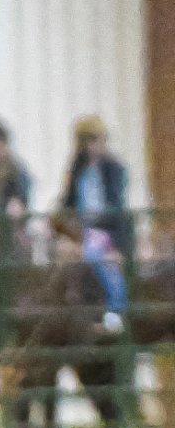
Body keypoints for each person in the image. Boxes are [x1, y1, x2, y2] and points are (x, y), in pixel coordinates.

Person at [59, 114, 133, 335]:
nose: (94, 145)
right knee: (61, 252)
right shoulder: (76, 168)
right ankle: (70, 309)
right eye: (89, 140)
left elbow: (116, 208)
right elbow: (68, 200)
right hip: (80, 229)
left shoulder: (114, 168)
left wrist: (117, 245)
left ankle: (115, 310)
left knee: (96, 252)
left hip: (105, 229)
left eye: (98, 140)